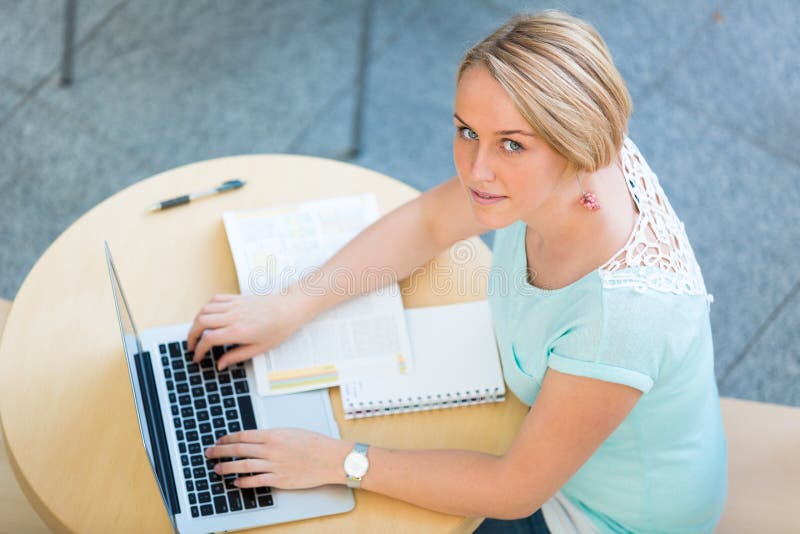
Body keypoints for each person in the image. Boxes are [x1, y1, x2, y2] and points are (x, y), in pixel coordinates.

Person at [187, 10, 727, 533]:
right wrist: (289, 306)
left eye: (511, 144)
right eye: (467, 131)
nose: (477, 169)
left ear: (577, 148)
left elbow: (513, 490)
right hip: (543, 441)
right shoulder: (561, 170)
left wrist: (336, 463)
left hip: (596, 518)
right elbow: (427, 223)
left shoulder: (621, 321)